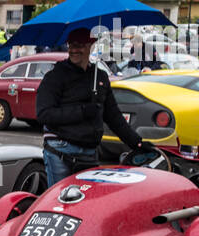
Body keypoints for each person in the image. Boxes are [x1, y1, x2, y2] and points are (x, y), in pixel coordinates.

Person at [35, 27, 147, 187]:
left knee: (87, 204)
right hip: (60, 151)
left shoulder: (99, 77)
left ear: (90, 46)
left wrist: (137, 143)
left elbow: (114, 117)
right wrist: (83, 111)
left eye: (79, 45)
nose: (74, 50)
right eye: (71, 45)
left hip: (89, 152)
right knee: (60, 202)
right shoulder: (55, 77)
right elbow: (44, 114)